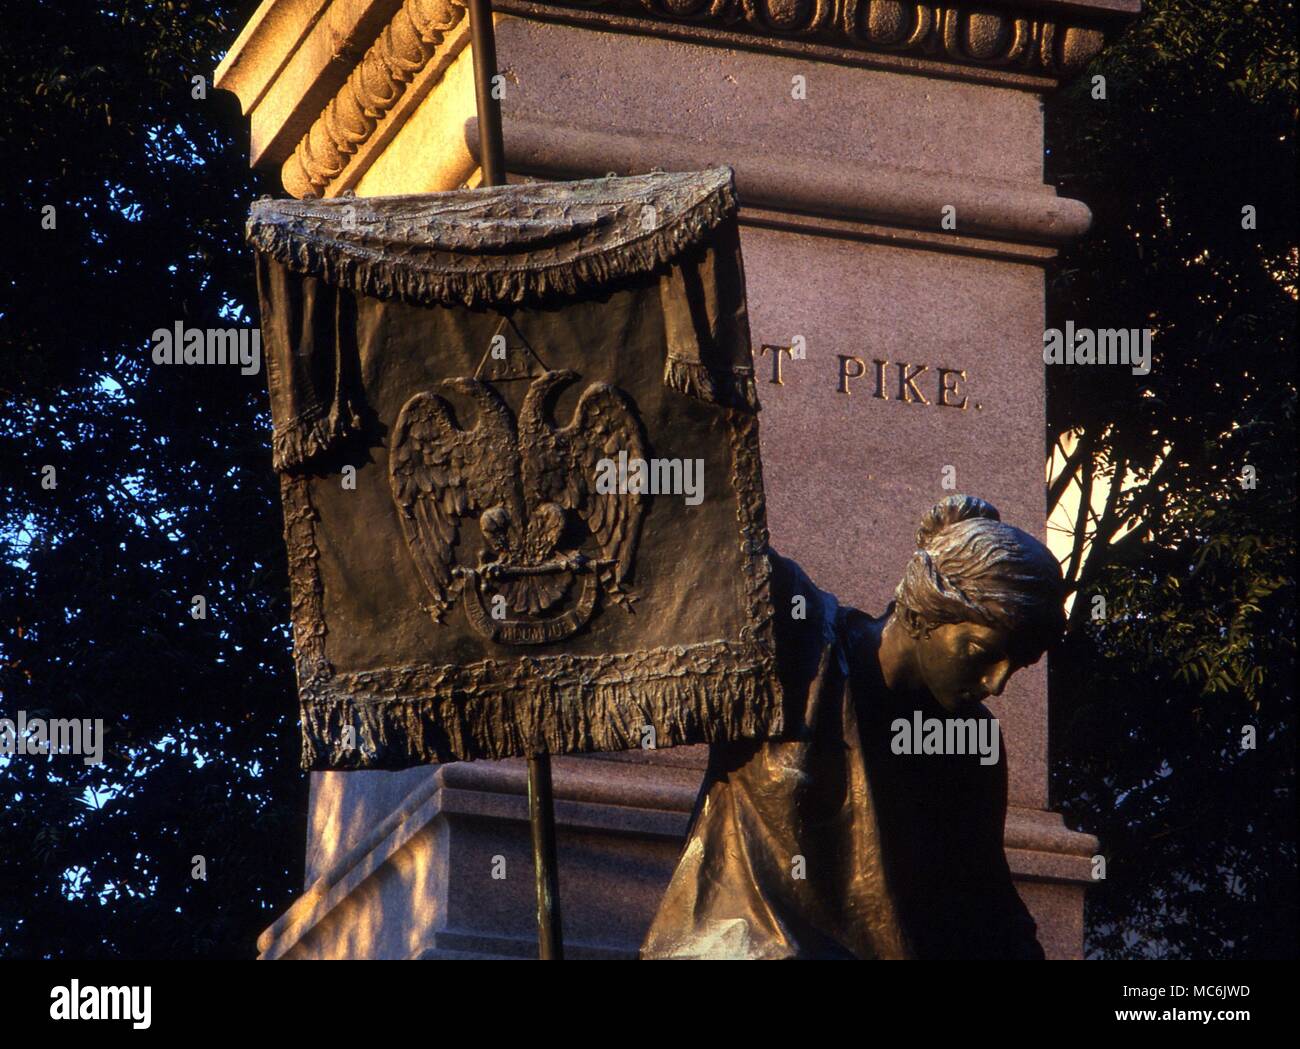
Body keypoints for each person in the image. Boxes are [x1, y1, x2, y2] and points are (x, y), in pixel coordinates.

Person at [640, 494, 1066, 959]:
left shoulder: (967, 745)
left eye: (1017, 665)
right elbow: (695, 529)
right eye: (983, 653)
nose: (997, 684)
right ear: (927, 612)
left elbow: (986, 907)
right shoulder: (795, 641)